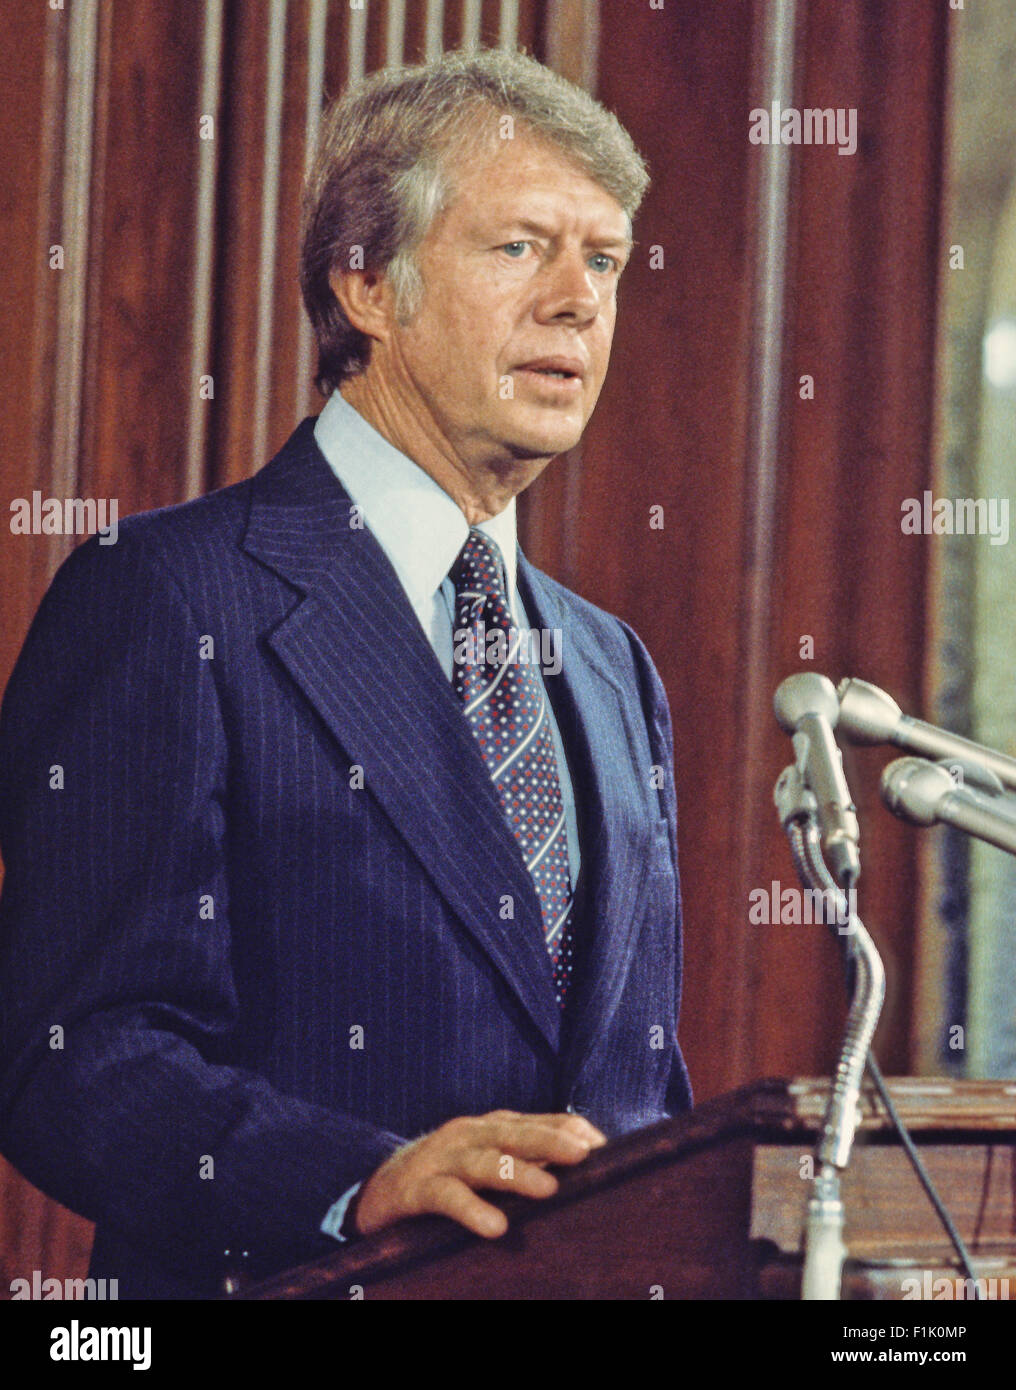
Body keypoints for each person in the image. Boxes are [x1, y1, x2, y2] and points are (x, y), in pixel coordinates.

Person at [0, 47, 691, 1300]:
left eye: (602, 260)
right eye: (518, 248)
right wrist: (362, 1180)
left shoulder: (608, 664)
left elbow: (635, 1093)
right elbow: (73, 1055)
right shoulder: (165, 596)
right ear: (366, 284)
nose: (577, 302)